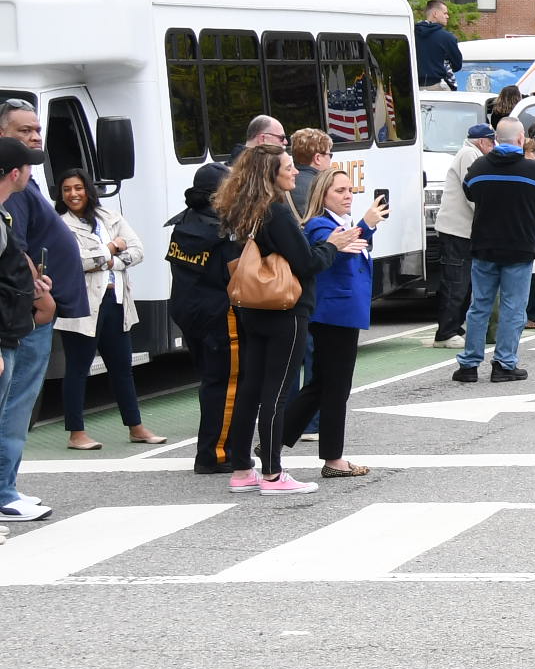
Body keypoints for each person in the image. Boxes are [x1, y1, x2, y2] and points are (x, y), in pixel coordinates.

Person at [213, 143, 338, 495]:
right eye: (287, 167)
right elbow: (307, 263)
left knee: (250, 389)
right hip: (285, 309)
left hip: (251, 307)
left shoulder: (241, 210)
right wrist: (333, 245)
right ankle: (272, 473)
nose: (295, 171)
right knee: (278, 392)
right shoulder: (277, 213)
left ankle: (241, 468)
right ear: (271, 174)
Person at [0, 101, 83, 525]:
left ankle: (7, 485)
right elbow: (14, 248)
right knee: (13, 407)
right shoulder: (9, 190)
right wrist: (41, 299)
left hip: (29, 312)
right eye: (23, 130)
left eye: (37, 129)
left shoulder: (23, 184)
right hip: (23, 317)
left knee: (18, 404)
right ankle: (3, 491)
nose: (35, 136)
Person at [280, 164, 387, 477]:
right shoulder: (319, 225)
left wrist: (363, 228)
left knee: (323, 384)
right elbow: (333, 253)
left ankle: (278, 439)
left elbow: (350, 249)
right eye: (340, 191)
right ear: (322, 194)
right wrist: (365, 226)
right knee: (335, 387)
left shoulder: (340, 223)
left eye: (349, 190)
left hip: (342, 312)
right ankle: (333, 458)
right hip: (332, 314)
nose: (348, 196)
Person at [55, 174, 162, 451]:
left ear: (89, 190)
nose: (73, 194)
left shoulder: (110, 217)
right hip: (81, 306)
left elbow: (137, 250)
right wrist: (112, 247)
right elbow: (74, 261)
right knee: (78, 369)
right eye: (67, 189)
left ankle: (136, 428)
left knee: (122, 368)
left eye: (78, 188)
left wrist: (107, 259)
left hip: (115, 301)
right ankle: (76, 433)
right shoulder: (59, 224)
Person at [453, 116, 535, 385]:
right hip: (519, 246)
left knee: (479, 306)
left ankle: (469, 364)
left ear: (496, 139)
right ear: (521, 139)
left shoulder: (479, 166)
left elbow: (469, 192)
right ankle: (504, 363)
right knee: (513, 308)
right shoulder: (531, 169)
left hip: (484, 244)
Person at [163, 164, 238, 474]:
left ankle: (213, 449)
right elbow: (234, 276)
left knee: (211, 383)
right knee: (226, 385)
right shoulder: (223, 231)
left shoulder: (184, 224)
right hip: (220, 316)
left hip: (187, 312)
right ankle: (216, 453)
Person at [430, 121, 493, 343]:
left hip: (461, 230)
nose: (494, 147)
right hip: (457, 230)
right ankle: (446, 331)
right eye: (492, 142)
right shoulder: (470, 154)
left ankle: (453, 328)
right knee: (456, 281)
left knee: (461, 281)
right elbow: (474, 193)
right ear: (483, 142)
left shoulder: (471, 153)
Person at [414, 0, 465, 88]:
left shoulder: (412, 34)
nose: (447, 16)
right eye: (445, 13)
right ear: (435, 14)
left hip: (413, 88)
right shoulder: (447, 37)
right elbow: (457, 65)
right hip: (437, 86)